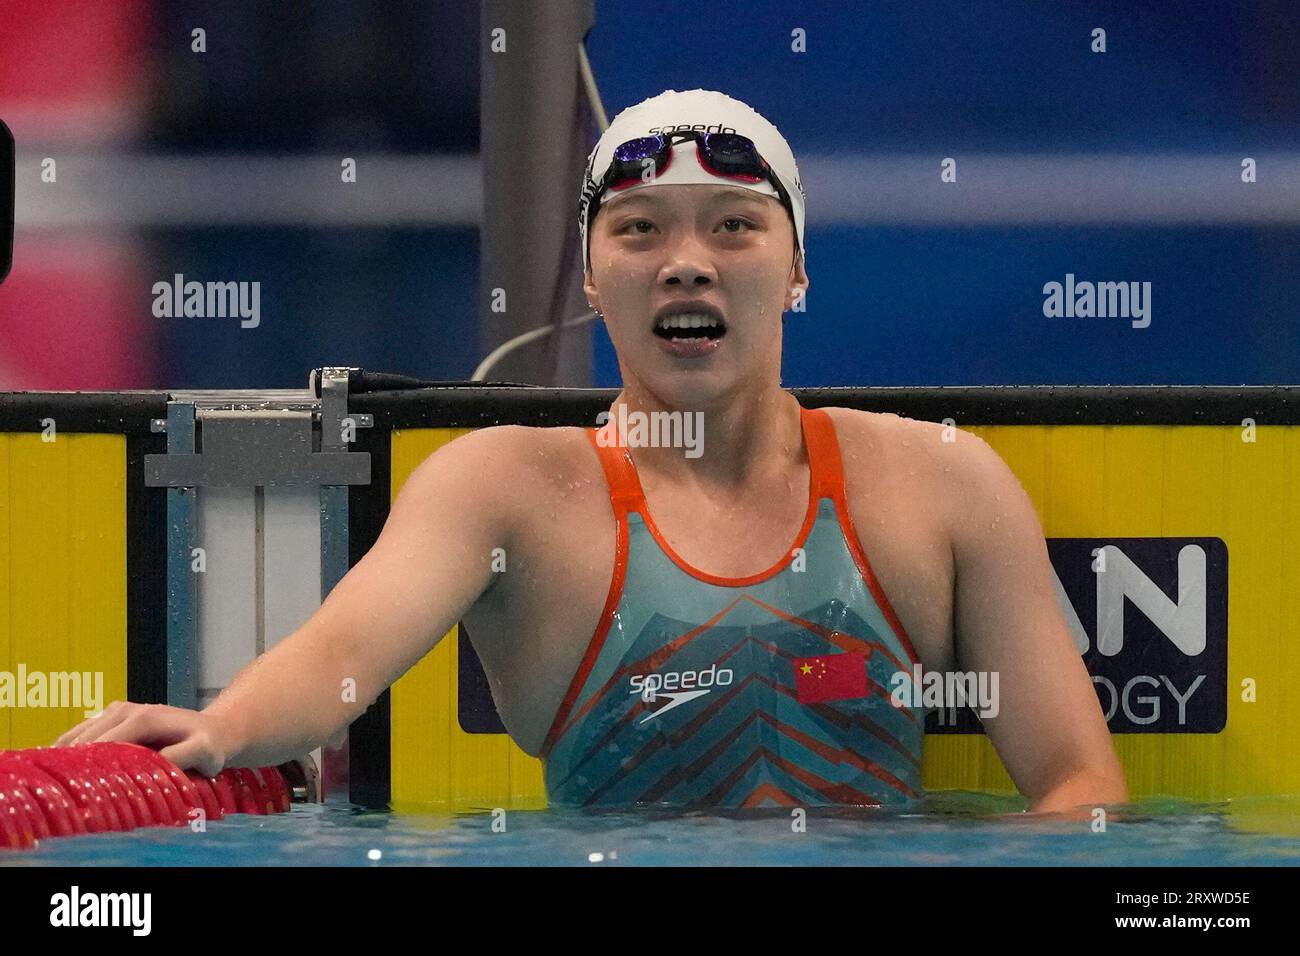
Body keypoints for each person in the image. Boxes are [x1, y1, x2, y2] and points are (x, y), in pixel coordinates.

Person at [56, 89, 1127, 812]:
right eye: (640, 229)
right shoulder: (507, 492)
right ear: (594, 278)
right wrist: (223, 724)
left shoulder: (941, 483)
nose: (687, 264)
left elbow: (1080, 783)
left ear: (798, 269)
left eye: (735, 226)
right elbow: (343, 654)